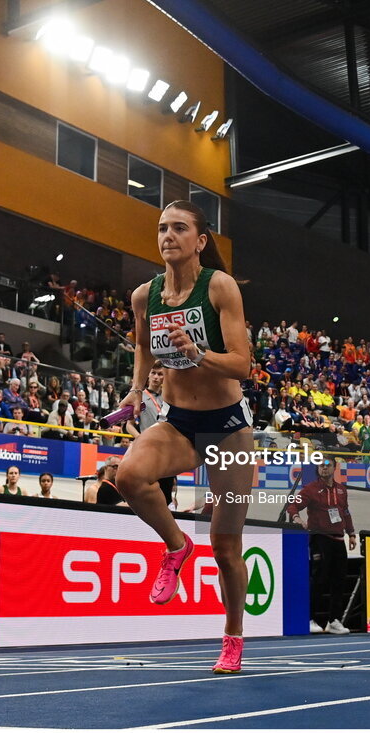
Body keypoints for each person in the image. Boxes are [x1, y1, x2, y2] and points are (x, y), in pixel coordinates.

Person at [114, 200, 253, 674]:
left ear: (200, 241)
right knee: (129, 475)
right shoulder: (143, 296)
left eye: (179, 228)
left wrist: (200, 353)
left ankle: (233, 636)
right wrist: (136, 390)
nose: (167, 235)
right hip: (179, 424)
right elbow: (141, 345)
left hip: (228, 427)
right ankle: (176, 546)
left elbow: (242, 364)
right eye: (161, 228)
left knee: (226, 547)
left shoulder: (220, 287)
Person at [286, 460, 357, 635]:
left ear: (334, 468)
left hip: (339, 540)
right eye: (321, 466)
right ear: (318, 469)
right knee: (319, 580)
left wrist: (352, 533)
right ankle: (311, 620)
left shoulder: (341, 490)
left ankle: (333, 620)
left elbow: (345, 512)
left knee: (339, 582)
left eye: (328, 465)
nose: (324, 468)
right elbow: (292, 505)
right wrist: (297, 519)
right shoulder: (310, 489)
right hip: (320, 538)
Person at [124, 364, 177, 508]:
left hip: (167, 450)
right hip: (148, 449)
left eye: (160, 374)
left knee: (166, 491)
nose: (156, 377)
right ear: (148, 374)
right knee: (148, 487)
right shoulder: (139, 396)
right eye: (153, 373)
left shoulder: (169, 398)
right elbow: (129, 425)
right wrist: (139, 438)